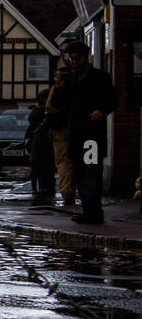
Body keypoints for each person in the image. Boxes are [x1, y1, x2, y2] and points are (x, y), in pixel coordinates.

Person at [63, 41, 116, 224]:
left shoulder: (101, 77)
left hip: (92, 135)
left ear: (86, 58)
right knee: (79, 174)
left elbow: (113, 100)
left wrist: (101, 111)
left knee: (91, 173)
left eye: (77, 58)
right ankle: (88, 210)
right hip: (77, 135)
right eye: (72, 59)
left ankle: (94, 211)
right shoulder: (71, 80)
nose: (74, 62)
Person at [44, 67, 74, 207]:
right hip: (78, 128)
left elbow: (49, 106)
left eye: (57, 77)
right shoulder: (76, 88)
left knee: (63, 162)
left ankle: (67, 193)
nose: (55, 79)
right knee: (77, 161)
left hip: (61, 130)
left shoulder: (56, 91)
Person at [25, 89, 55, 200]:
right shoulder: (47, 113)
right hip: (46, 145)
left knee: (36, 168)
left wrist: (27, 141)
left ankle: (36, 188)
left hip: (37, 145)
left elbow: (29, 130)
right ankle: (46, 188)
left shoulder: (36, 114)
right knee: (47, 168)